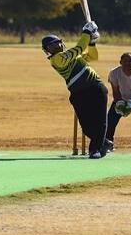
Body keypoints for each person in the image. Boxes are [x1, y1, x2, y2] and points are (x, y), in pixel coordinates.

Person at [42, 22, 112, 159]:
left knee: (100, 121)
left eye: (56, 43)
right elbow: (79, 47)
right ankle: (104, 142)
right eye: (51, 46)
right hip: (78, 93)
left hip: (95, 87)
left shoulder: (74, 55)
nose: (55, 46)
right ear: (47, 50)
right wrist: (86, 32)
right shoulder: (57, 60)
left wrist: (91, 42)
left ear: (61, 43)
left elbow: (92, 57)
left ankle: (95, 150)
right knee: (86, 126)